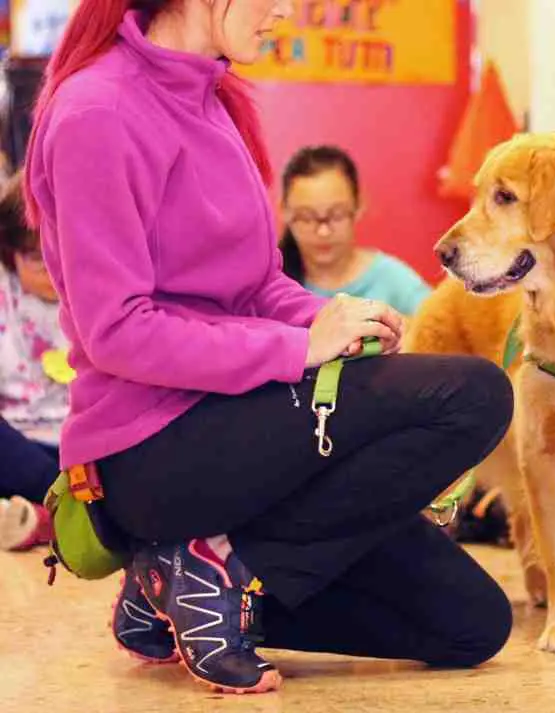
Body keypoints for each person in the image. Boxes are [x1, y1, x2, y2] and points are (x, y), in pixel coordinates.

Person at [24, 0, 513, 694]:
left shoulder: (213, 99)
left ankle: (175, 586)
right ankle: (217, 559)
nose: (284, 13)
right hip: (151, 452)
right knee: (475, 395)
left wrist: (339, 318)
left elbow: (256, 285)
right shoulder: (94, 112)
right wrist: (299, 349)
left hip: (243, 427)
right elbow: (118, 330)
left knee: (472, 624)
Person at [279, 145, 431, 316]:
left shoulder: (392, 280)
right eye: (306, 218)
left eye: (336, 216)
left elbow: (441, 328)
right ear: (284, 211)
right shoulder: (275, 285)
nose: (323, 232)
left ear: (358, 206)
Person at [0, 173, 64, 550]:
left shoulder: (101, 290)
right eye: (36, 258)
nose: (53, 270)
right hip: (20, 446)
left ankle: (45, 517)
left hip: (86, 446)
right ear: (10, 254)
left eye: (61, 251)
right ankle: (61, 510)